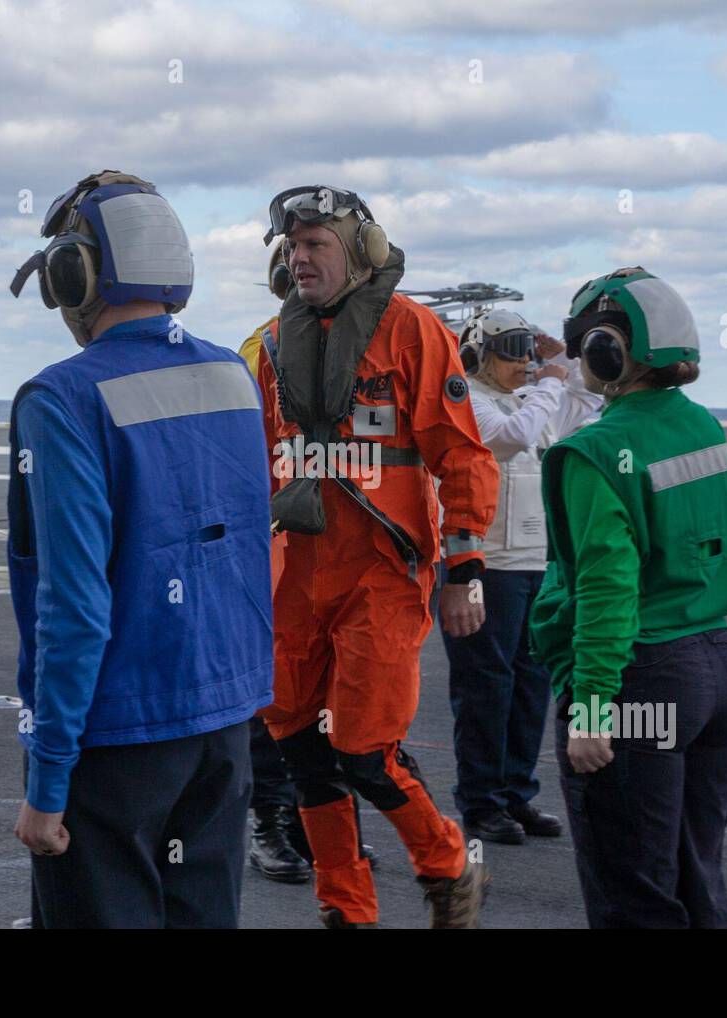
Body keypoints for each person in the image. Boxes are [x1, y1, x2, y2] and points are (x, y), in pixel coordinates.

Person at [8, 170, 272, 929]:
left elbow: (74, 602)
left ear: (73, 274)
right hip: (223, 723)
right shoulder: (232, 374)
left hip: (116, 736)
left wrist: (49, 778)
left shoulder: (62, 398)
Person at [255, 185, 499, 928]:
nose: (300, 259)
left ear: (359, 250)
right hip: (296, 569)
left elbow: (461, 454)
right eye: (292, 247)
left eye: (316, 244)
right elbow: (257, 462)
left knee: (363, 748)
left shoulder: (412, 331)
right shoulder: (271, 345)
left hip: (381, 572)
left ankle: (445, 861)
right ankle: (347, 908)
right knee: (299, 744)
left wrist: (465, 570)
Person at [528, 266, 727, 928]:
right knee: (696, 883)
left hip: (640, 681)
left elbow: (606, 584)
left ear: (609, 349)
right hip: (719, 672)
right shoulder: (702, 427)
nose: (575, 362)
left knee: (633, 897)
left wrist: (594, 707)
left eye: (581, 347)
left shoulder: (595, 450)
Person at [239, 246, 377, 884]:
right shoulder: (260, 351)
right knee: (278, 705)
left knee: (334, 700)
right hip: (278, 551)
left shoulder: (367, 348)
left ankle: (318, 823)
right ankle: (269, 819)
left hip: (343, 558)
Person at [441, 308, 602, 845]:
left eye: (526, 350)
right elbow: (511, 437)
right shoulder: (469, 401)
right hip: (489, 566)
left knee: (531, 687)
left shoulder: (531, 399)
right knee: (487, 689)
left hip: (537, 563)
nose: (523, 362)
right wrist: (550, 385)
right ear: (480, 351)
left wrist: (564, 361)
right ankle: (482, 803)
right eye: (511, 349)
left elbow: (587, 406)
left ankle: (516, 794)